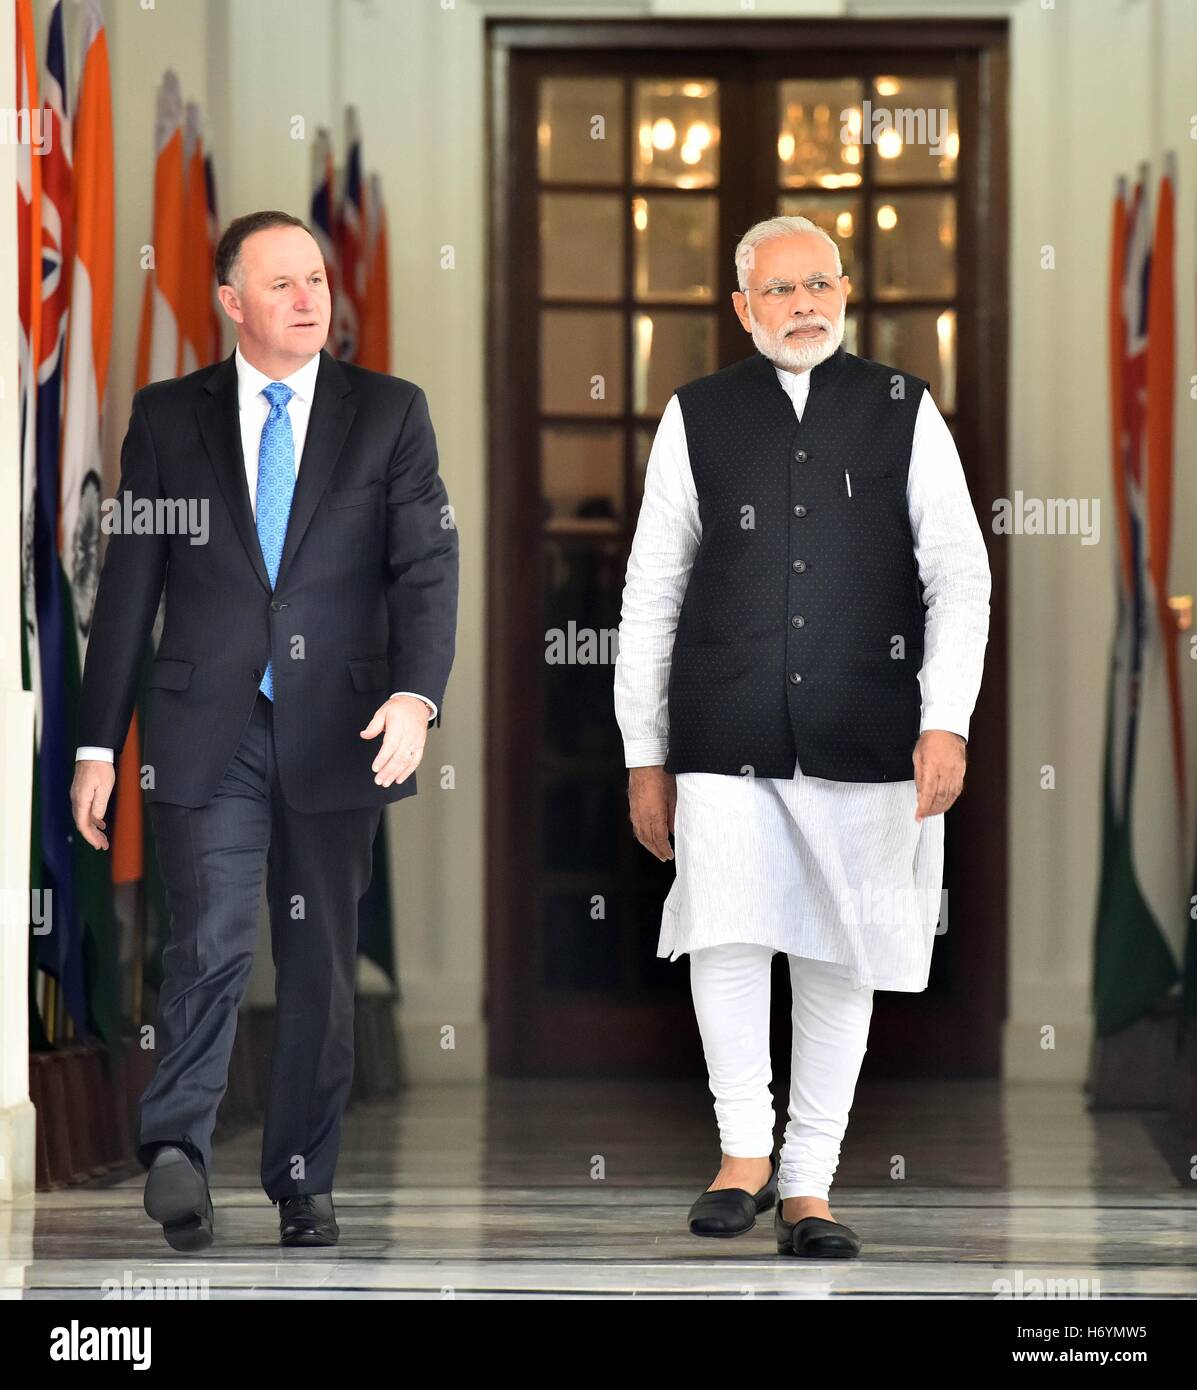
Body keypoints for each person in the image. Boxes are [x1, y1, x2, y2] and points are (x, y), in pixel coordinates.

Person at [70, 210, 459, 1250]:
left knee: (320, 962)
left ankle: (300, 1178)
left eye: (317, 279)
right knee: (210, 940)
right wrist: (97, 744)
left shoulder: (390, 413)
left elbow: (425, 568)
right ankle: (178, 1153)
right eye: (281, 283)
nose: (308, 297)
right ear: (230, 302)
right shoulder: (166, 416)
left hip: (344, 725)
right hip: (209, 725)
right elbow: (129, 589)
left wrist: (418, 698)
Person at [614, 214, 990, 1258]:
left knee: (843, 953)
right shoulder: (698, 415)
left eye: (818, 283)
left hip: (868, 726)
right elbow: (652, 589)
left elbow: (959, 574)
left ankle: (809, 1184)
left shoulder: (905, 409)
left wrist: (946, 718)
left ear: (846, 290)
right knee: (724, 931)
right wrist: (643, 750)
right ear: (743, 309)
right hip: (723, 722)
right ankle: (743, 1154)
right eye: (778, 291)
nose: (803, 304)